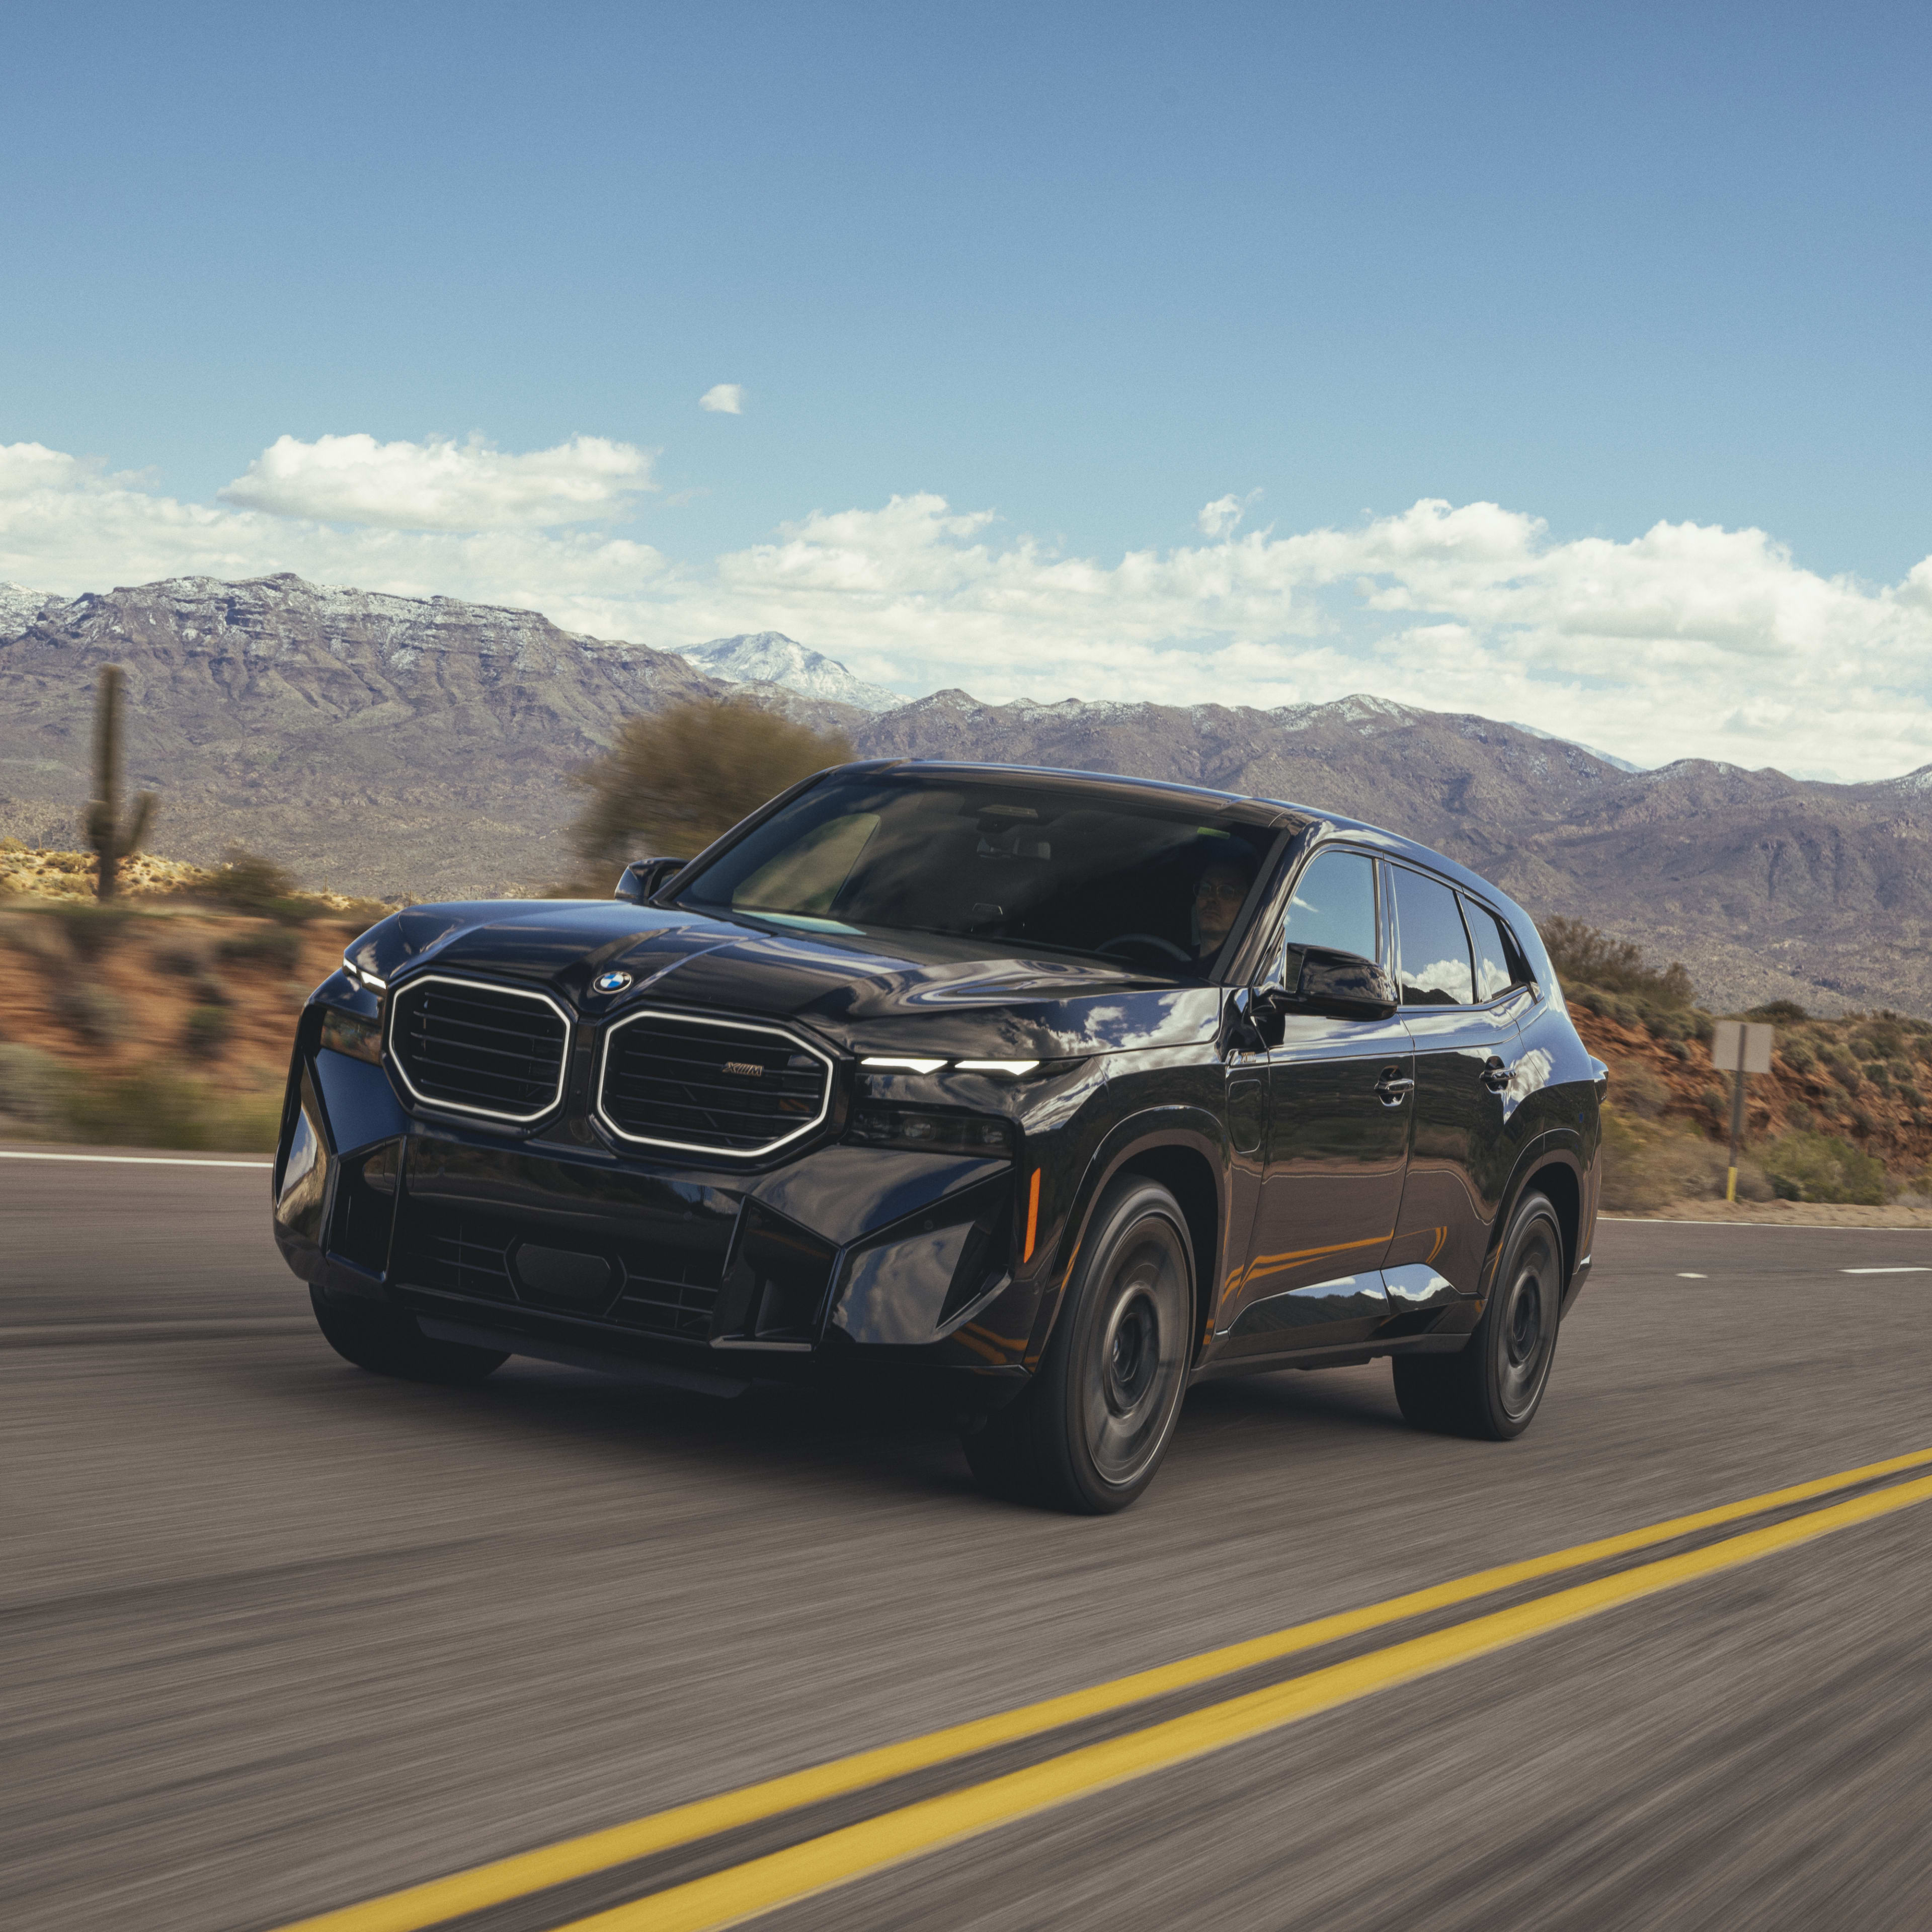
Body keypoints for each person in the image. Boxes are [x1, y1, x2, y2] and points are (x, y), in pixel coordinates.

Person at [1190, 853, 1254, 967]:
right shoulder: (1169, 965)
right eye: (1205, 888)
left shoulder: (1246, 969)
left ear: (1247, 906)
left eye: (1227, 891)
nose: (1211, 898)